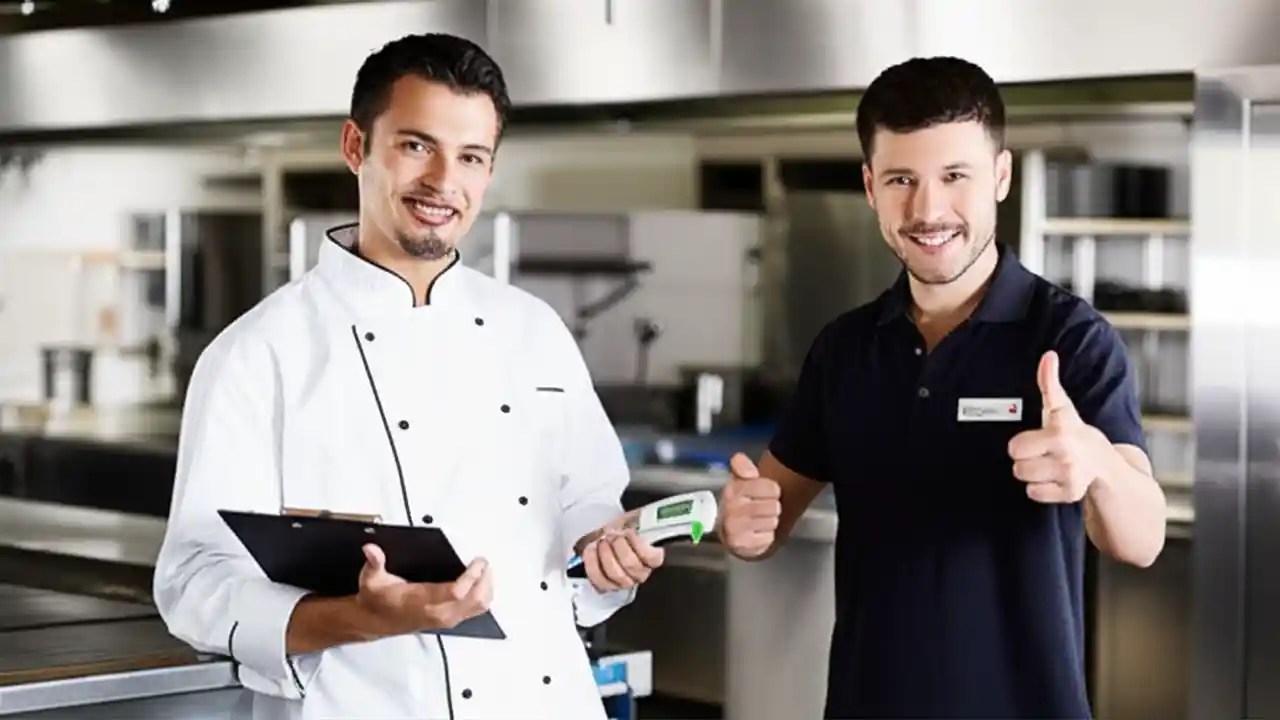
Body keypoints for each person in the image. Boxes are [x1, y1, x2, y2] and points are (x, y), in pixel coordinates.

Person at [153, 33, 663, 720]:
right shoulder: (258, 354)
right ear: (357, 146)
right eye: (417, 145)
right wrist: (359, 617)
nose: (444, 182)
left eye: (472, 157)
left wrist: (608, 554)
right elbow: (195, 584)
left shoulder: (532, 329)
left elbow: (589, 510)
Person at [717, 57, 1168, 719]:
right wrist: (740, 525)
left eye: (955, 176)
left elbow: (1143, 539)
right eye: (902, 179)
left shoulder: (1070, 338)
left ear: (1001, 177)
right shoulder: (845, 348)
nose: (928, 210)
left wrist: (1096, 462)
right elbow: (767, 518)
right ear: (870, 186)